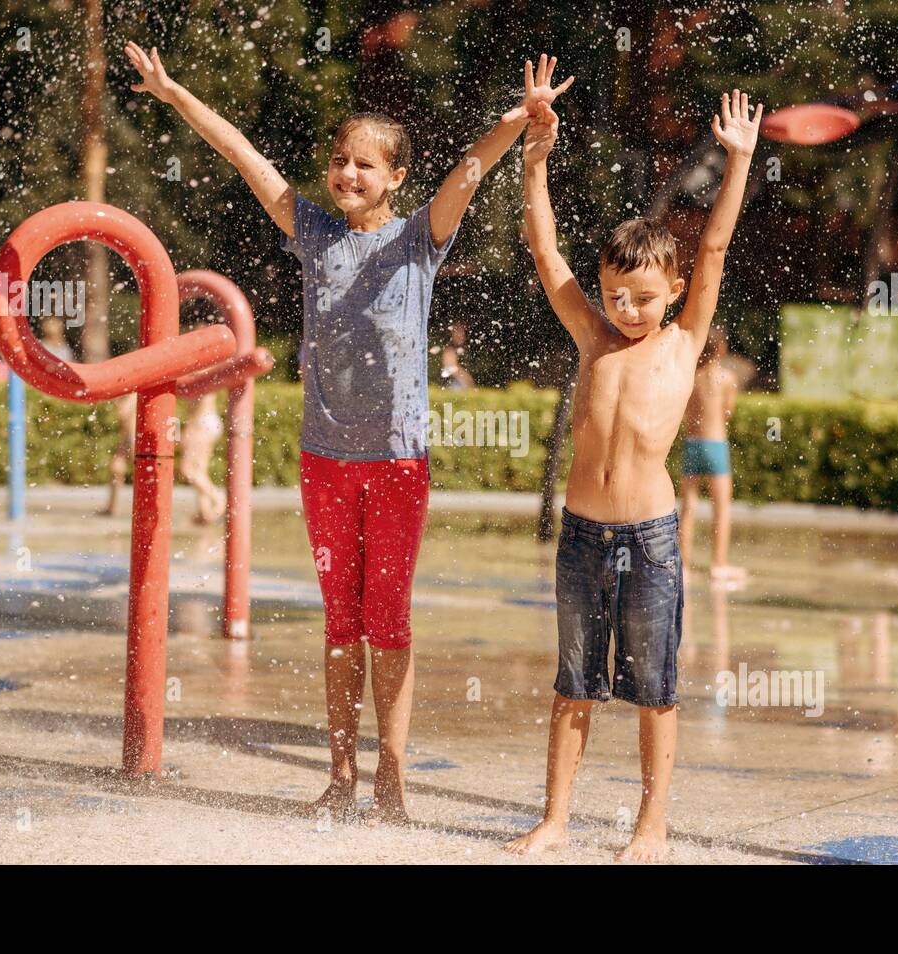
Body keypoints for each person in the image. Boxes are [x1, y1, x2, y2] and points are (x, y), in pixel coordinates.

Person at [126, 43, 574, 823]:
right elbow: (243, 153)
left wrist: (512, 124)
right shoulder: (313, 233)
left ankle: (391, 781)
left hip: (396, 464)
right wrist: (175, 94)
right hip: (323, 461)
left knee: (386, 623)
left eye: (366, 166)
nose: (348, 175)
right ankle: (339, 776)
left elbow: (468, 173)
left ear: (397, 177)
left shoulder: (418, 242)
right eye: (339, 161)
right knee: (340, 623)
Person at [505, 91, 761, 861]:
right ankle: (556, 818)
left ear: (675, 294)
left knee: (654, 688)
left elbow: (712, 248)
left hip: (649, 542)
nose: (626, 307)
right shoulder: (591, 335)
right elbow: (545, 250)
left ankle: (652, 825)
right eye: (615, 293)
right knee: (572, 684)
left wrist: (739, 160)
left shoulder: (682, 344)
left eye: (643, 297)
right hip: (582, 539)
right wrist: (536, 158)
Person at [679, 324, 746, 583]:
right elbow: (728, 412)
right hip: (716, 445)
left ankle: (684, 566)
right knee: (721, 507)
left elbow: (684, 411)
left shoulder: (690, 377)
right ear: (721, 349)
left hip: (692, 444)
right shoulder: (727, 379)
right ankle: (718, 564)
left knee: (688, 507)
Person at [179, 390, 226, 525]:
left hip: (200, 422)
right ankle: (205, 513)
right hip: (210, 419)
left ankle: (218, 498)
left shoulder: (195, 372)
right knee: (200, 472)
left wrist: (189, 430)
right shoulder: (205, 373)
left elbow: (197, 405)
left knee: (187, 470)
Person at [99, 392, 136, 517]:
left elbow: (123, 413)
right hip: (126, 438)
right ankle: (112, 507)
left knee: (144, 474)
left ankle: (147, 505)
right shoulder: (125, 395)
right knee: (116, 468)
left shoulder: (134, 395)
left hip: (135, 438)